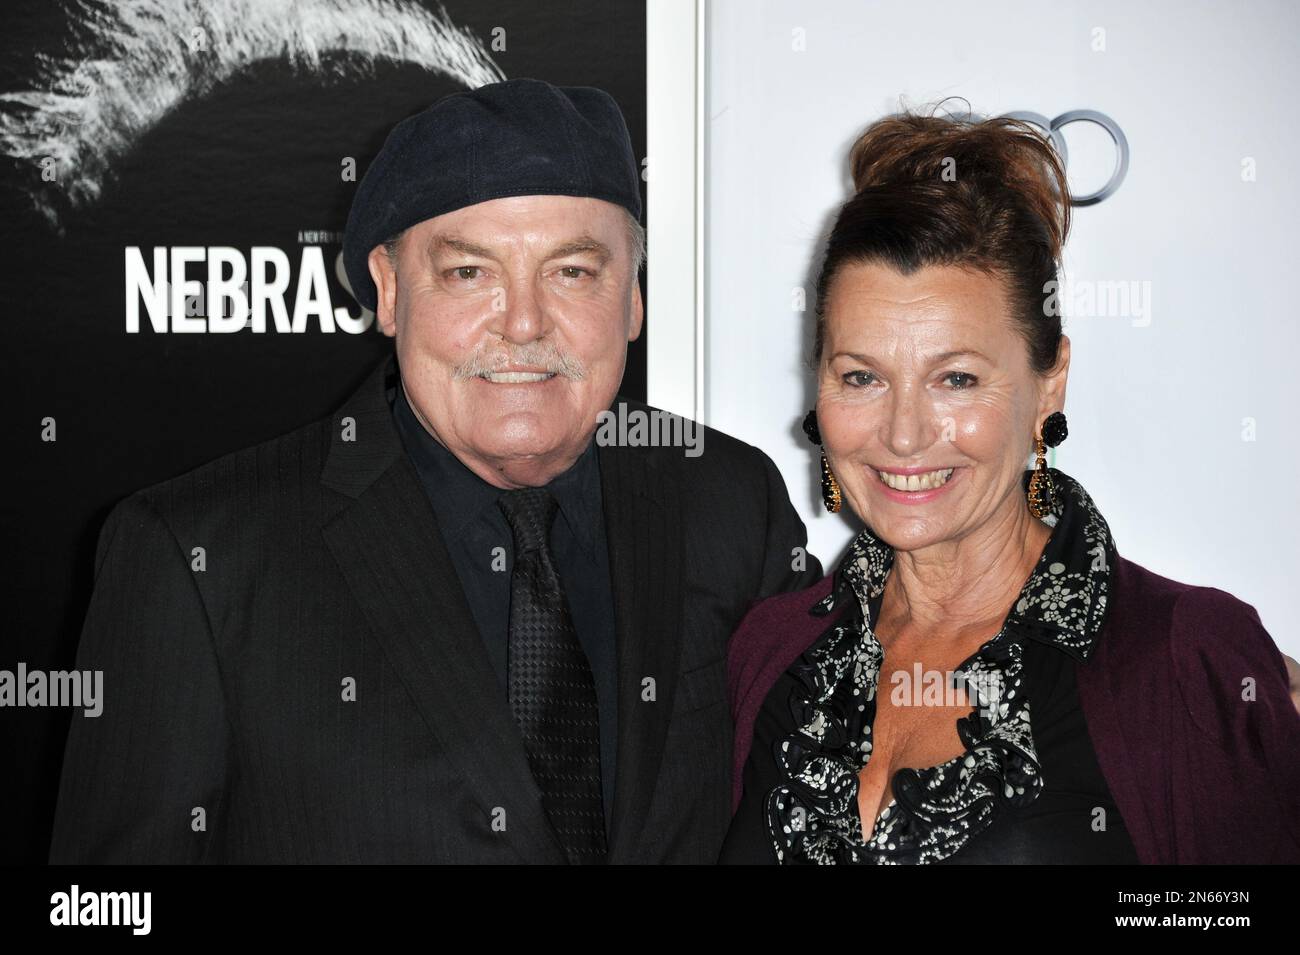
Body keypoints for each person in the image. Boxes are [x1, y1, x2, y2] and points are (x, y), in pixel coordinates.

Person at [47, 78, 820, 864]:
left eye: (573, 272)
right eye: (468, 273)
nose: (524, 323)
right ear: (389, 292)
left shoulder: (730, 501)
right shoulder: (199, 559)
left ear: (633, 298)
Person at [721, 110, 1300, 864]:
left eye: (956, 378)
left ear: (1049, 384)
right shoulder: (771, 652)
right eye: (861, 377)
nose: (903, 434)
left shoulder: (1184, 660)